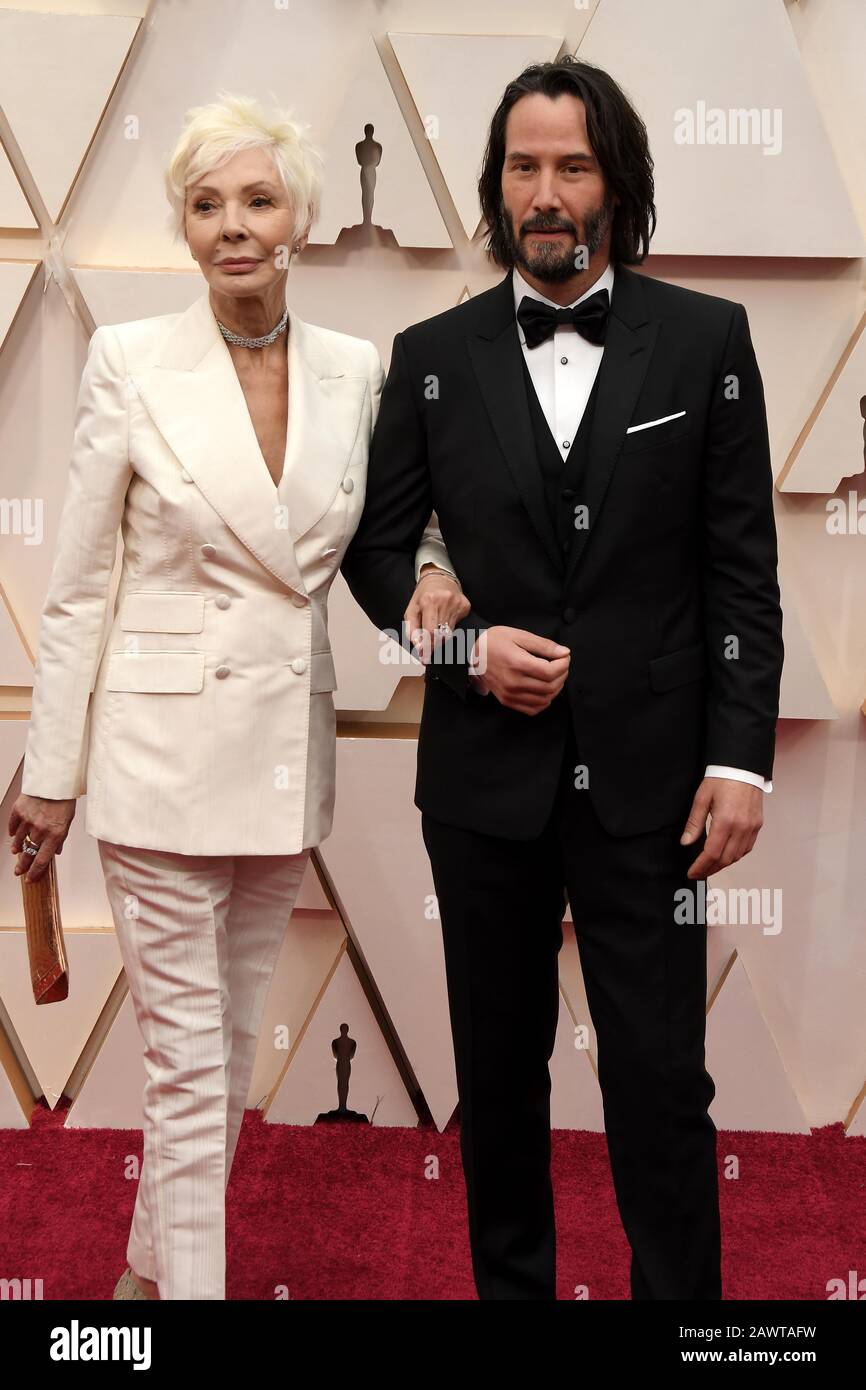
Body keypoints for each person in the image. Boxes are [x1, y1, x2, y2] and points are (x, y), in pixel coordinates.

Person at [341, 56, 784, 1300]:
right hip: (481, 787)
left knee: (658, 1077)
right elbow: (379, 554)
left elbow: (739, 568)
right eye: (522, 165)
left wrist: (738, 756)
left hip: (658, 792)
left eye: (571, 165)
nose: (544, 191)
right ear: (496, 184)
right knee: (496, 1076)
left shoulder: (707, 340)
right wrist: (461, 649)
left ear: (615, 183)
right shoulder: (430, 352)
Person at [8, 92, 463, 1301]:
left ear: (299, 219)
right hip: (157, 754)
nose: (232, 227)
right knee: (185, 1074)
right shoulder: (131, 358)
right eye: (205, 206)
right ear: (186, 228)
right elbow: (78, 582)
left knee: (221, 1056)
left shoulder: (354, 368)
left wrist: (427, 571)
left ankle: (146, 1273)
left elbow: (394, 522)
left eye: (256, 200)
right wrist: (51, 773)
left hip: (277, 755)